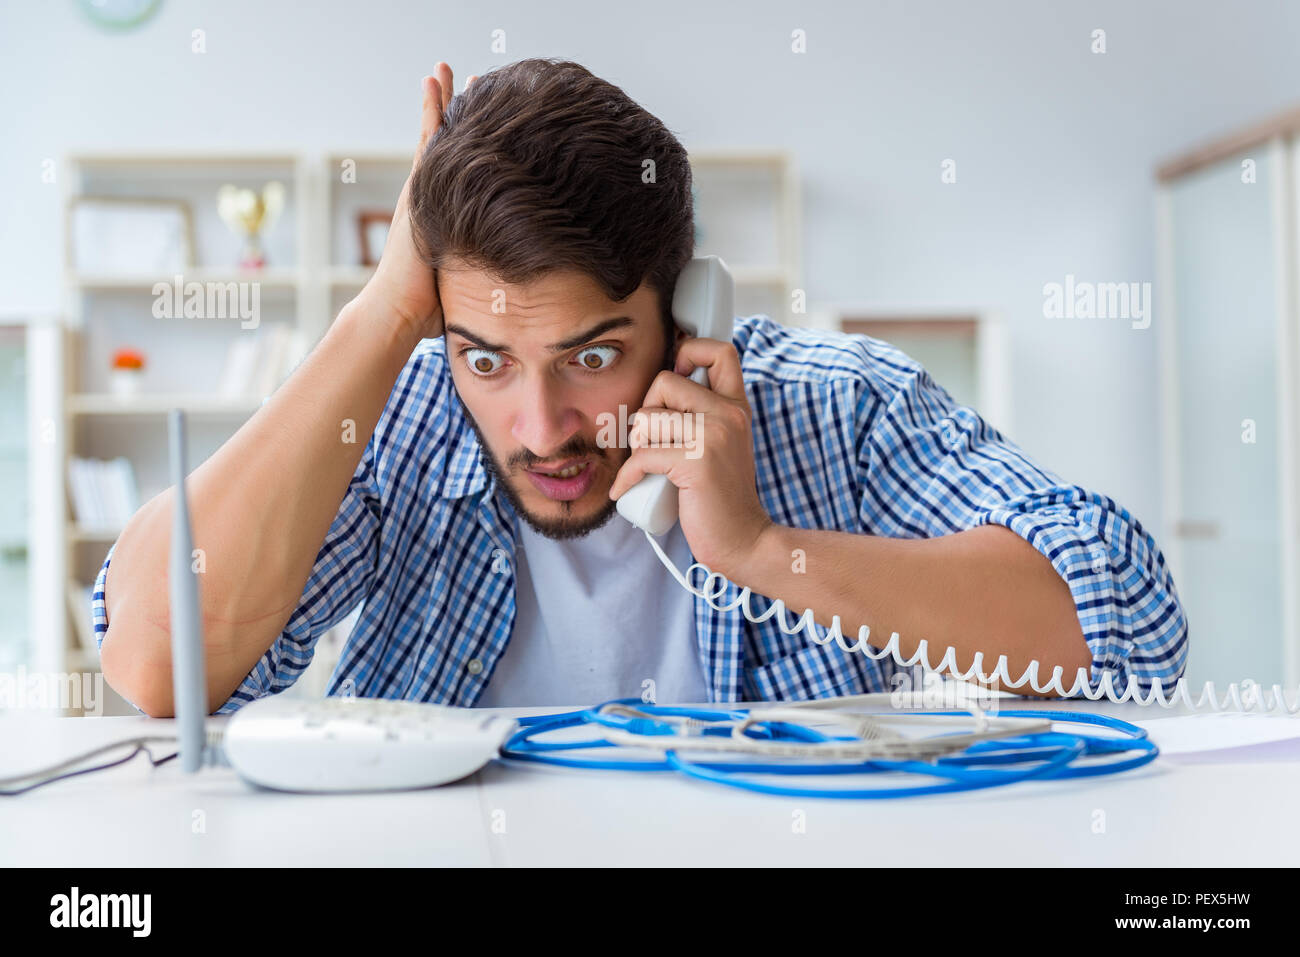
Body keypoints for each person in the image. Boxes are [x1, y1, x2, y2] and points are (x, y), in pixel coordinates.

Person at [93, 58, 1187, 716]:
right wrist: (384, 316)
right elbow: (153, 665)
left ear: (687, 310)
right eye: (488, 359)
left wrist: (760, 549)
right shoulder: (411, 414)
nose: (539, 428)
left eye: (590, 354)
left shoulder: (833, 406)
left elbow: (1134, 631)